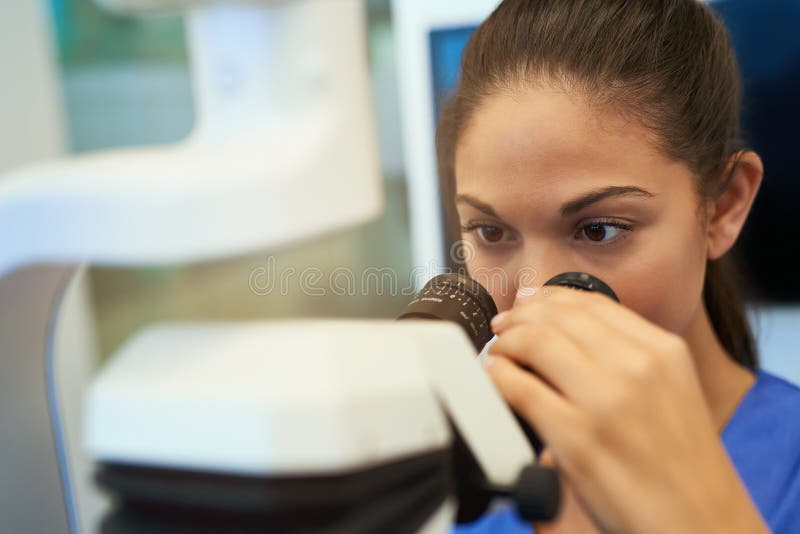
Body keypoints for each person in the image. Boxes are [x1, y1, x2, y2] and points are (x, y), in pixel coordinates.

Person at [435, 0, 800, 532]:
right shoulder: (472, 498)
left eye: (599, 230)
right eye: (491, 232)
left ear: (723, 206)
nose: (536, 300)